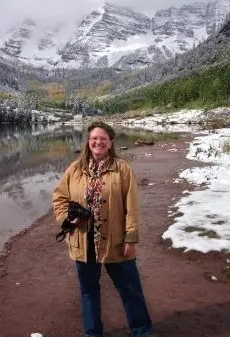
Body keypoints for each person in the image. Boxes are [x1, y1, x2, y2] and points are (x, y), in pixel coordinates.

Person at [52, 121, 152, 337]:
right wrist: (67, 220)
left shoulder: (122, 169)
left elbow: (132, 207)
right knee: (88, 292)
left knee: (130, 290)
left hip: (115, 241)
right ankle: (92, 334)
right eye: (94, 139)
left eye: (103, 139)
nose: (98, 142)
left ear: (111, 142)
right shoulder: (75, 169)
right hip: (83, 242)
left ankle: (142, 331)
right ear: (88, 143)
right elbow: (59, 198)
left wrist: (131, 238)